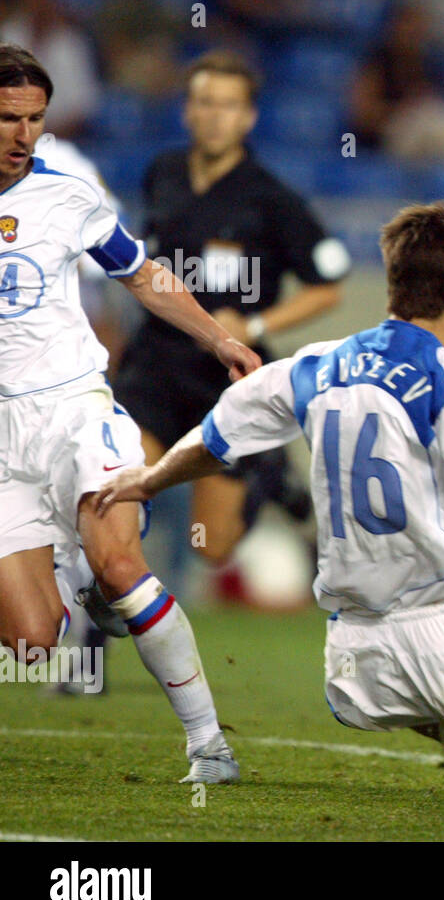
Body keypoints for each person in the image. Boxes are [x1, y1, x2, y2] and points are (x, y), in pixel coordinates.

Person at [95, 201, 444, 825]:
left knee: (441, 711)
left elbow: (215, 437)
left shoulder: (316, 364)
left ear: (394, 281)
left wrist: (147, 480)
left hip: (356, 658)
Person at [0, 44, 260, 780]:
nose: (22, 135)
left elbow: (142, 277)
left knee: (121, 563)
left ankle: (209, 745)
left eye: (34, 119)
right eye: (6, 120)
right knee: (28, 645)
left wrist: (218, 339)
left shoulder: (67, 199)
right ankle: (84, 575)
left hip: (75, 409)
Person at [112, 50, 350, 567]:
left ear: (249, 116)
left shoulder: (272, 199)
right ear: (187, 110)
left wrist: (256, 323)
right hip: (154, 362)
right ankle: (104, 601)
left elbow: (327, 285)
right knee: (116, 488)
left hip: (226, 371)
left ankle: (270, 478)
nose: (215, 115)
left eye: (228, 105)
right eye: (204, 102)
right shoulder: (164, 172)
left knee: (212, 546)